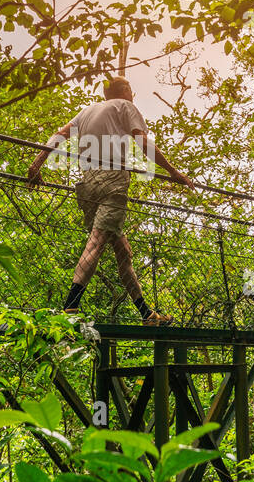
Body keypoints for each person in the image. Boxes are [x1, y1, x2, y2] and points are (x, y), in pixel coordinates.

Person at [26, 77, 194, 325]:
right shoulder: (126, 106)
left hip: (88, 184)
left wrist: (36, 164)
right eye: (131, 90)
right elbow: (143, 142)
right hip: (113, 180)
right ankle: (70, 308)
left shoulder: (86, 111)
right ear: (125, 91)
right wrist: (173, 172)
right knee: (96, 241)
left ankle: (146, 314)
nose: (132, 94)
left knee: (123, 252)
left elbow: (59, 135)